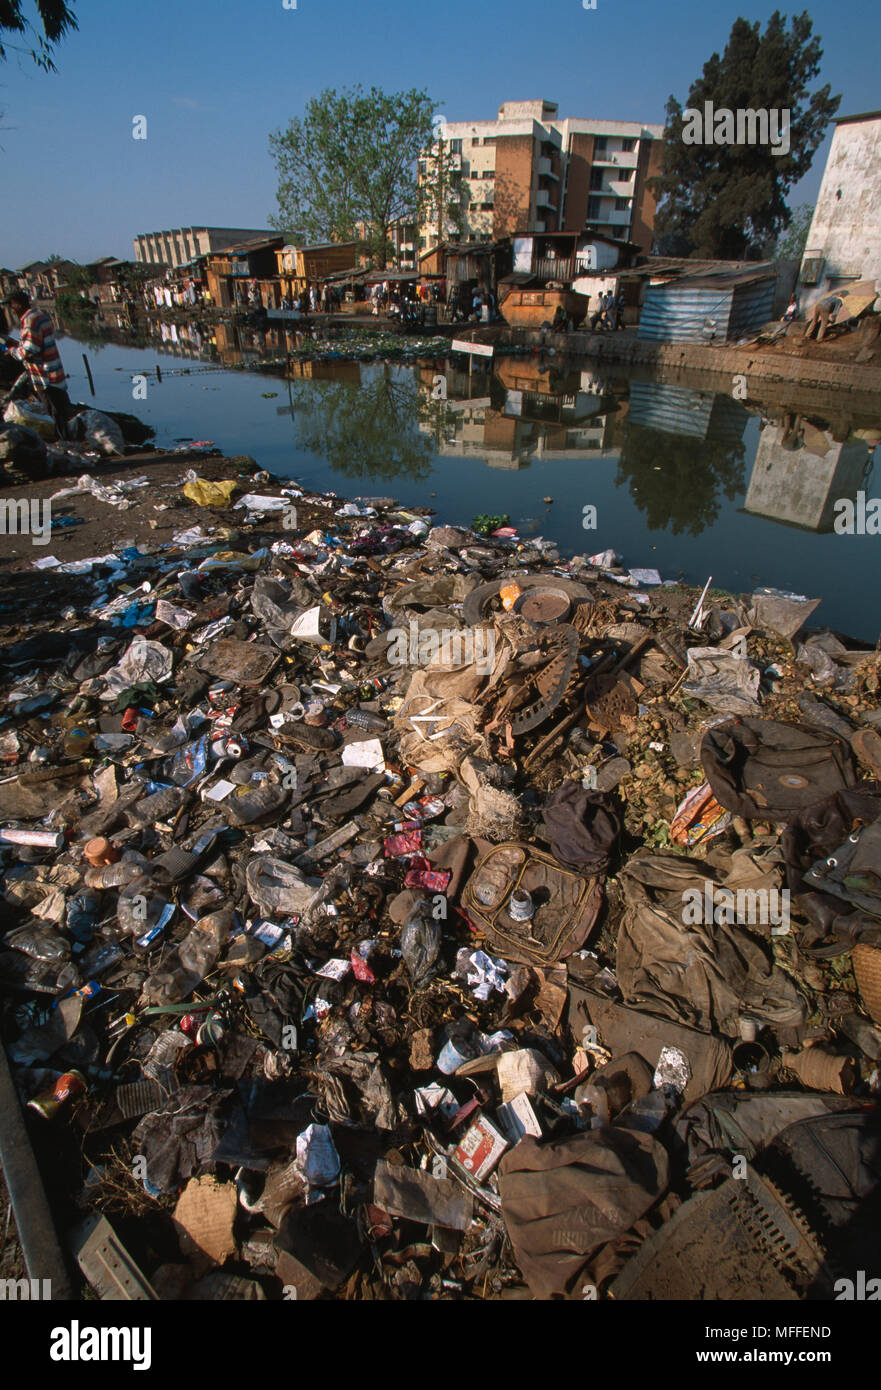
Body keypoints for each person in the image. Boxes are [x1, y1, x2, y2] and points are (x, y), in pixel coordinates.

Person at [1, 290, 75, 440]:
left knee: (54, 411)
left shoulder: (30, 321)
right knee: (60, 411)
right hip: (52, 371)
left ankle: (65, 442)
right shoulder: (39, 315)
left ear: (19, 304)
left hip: (44, 375)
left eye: (12, 305)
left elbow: (29, 350)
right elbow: (35, 343)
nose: (12, 310)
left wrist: (13, 351)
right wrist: (18, 345)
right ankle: (66, 439)